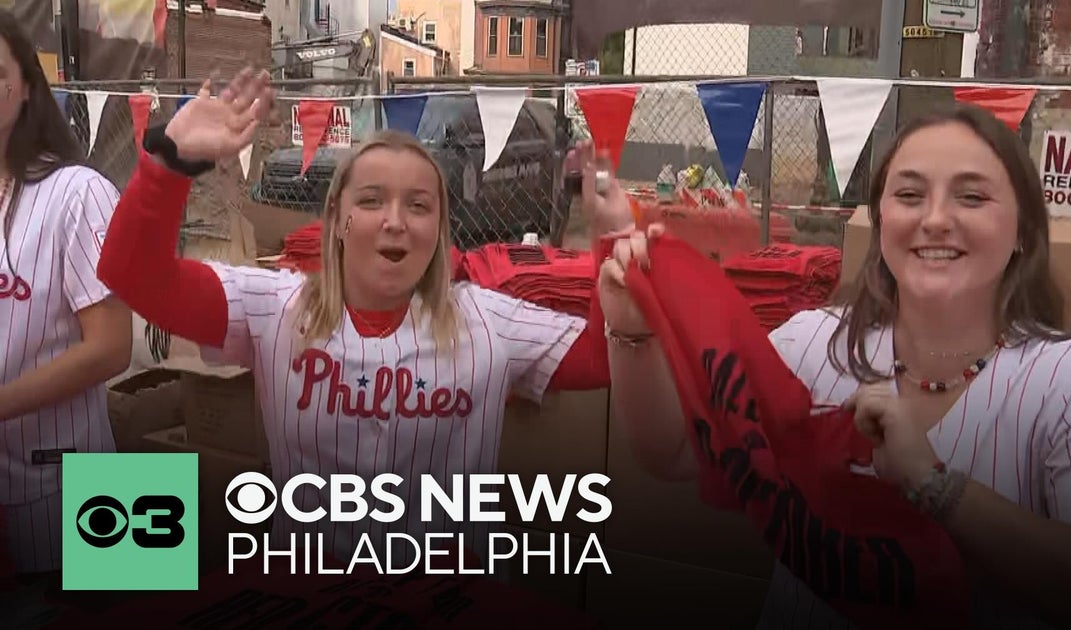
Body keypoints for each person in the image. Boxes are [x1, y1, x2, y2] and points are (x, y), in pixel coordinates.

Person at [592, 104, 1071, 628]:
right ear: (880, 221)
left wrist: (937, 488)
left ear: (1023, 230)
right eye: (909, 195)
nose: (935, 220)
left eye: (972, 196)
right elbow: (670, 455)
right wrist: (632, 326)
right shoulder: (810, 345)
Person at [96, 68, 614, 566]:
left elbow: (605, 355)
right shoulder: (277, 306)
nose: (395, 221)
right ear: (338, 220)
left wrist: (612, 240)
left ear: (439, 228)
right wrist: (167, 161)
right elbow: (136, 276)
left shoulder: (487, 319)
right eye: (371, 200)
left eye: (418, 206)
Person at [0, 11, 132, 576]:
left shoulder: (79, 192)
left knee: (127, 615)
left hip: (80, 492)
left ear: (25, 87)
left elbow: (112, 348)